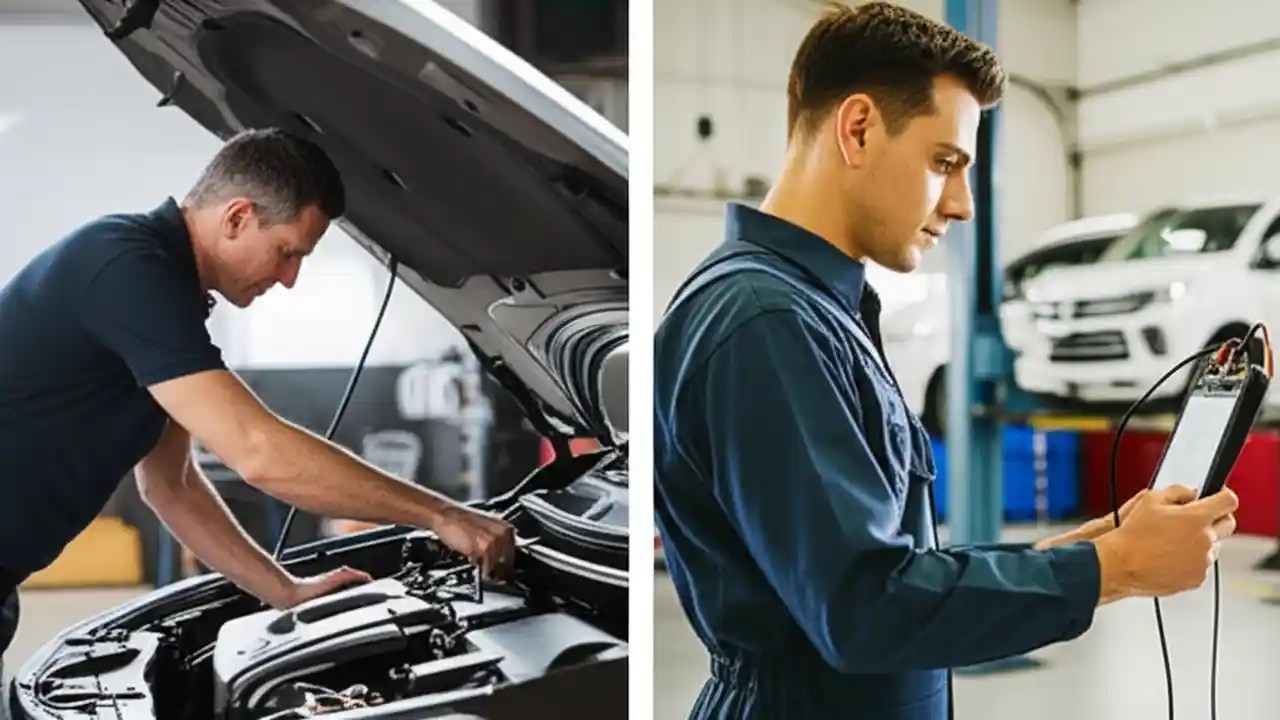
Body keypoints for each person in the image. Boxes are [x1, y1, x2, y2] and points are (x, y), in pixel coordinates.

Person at [652, 3, 1238, 719]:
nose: (961, 204)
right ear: (858, 128)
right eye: (944, 162)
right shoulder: (765, 323)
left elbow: (881, 563)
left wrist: (1088, 550)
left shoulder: (813, 309)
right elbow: (864, 610)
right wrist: (1112, 569)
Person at [0, 129, 516, 675]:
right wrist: (439, 515)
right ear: (237, 217)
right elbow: (258, 451)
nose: (290, 278)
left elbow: (171, 485)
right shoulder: (124, 268)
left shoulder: (165, 294)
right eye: (287, 252)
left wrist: (287, 591)